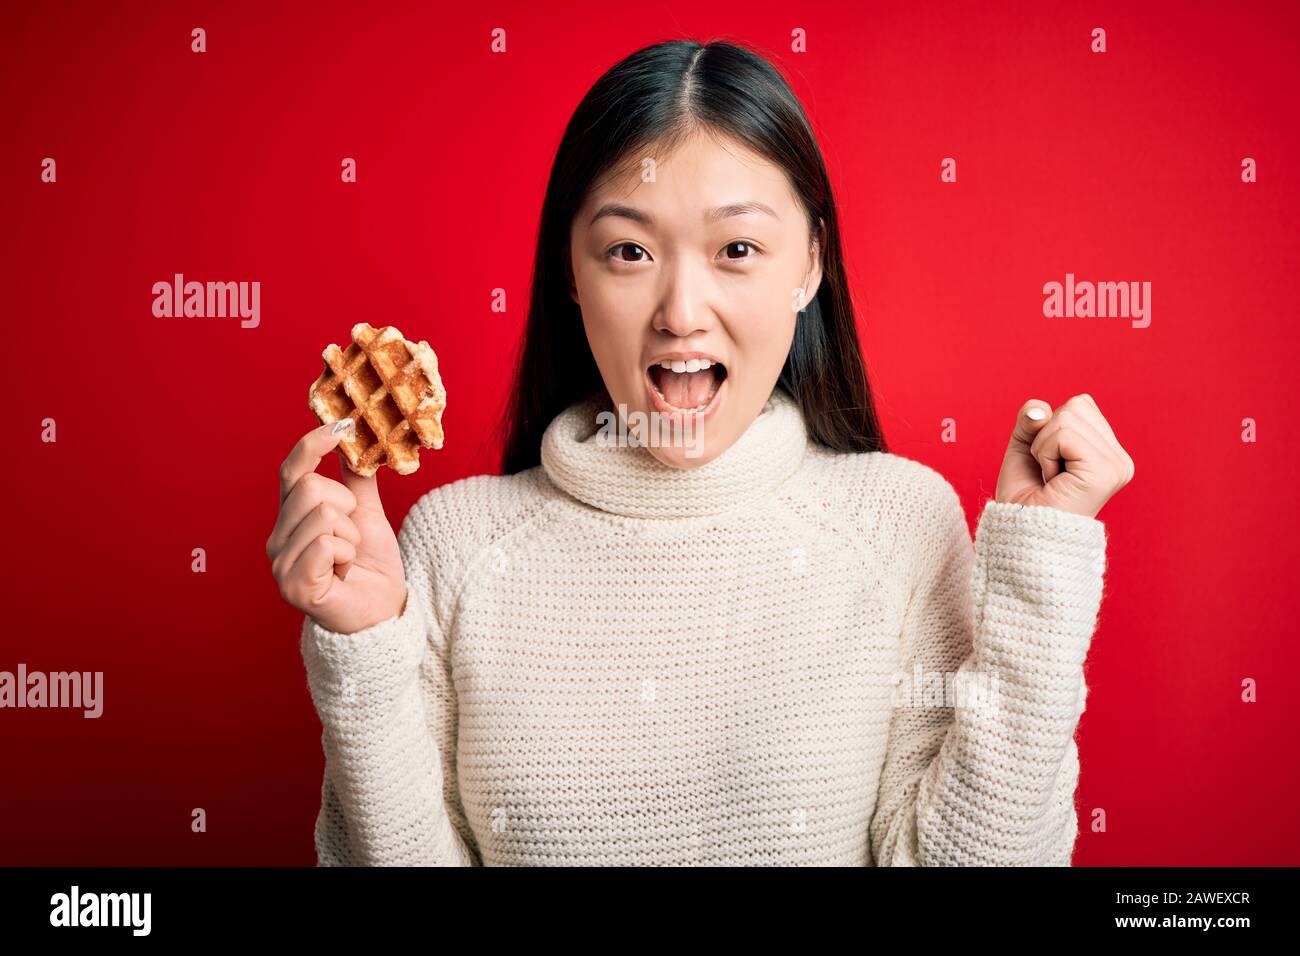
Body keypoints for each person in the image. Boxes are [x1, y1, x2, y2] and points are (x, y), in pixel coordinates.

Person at [266, 39, 1134, 866]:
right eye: (630, 251)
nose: (681, 311)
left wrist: (1039, 578)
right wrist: (366, 653)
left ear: (810, 266)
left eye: (738, 250)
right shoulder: (453, 547)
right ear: (572, 270)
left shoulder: (901, 525)